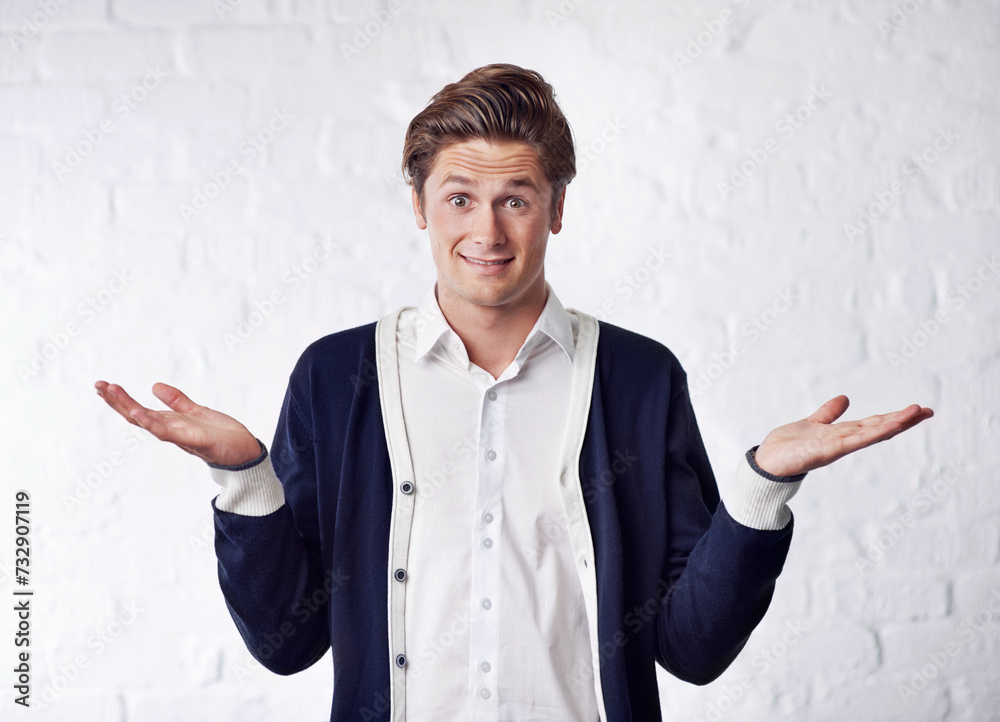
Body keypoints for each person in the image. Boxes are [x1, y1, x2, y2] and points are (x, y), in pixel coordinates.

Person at [95, 63, 933, 722]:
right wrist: (247, 479)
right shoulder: (336, 376)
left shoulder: (639, 379)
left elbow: (691, 647)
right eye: (459, 198)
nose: (486, 232)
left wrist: (762, 487)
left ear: (556, 208)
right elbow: (290, 640)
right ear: (419, 206)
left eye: (516, 200)